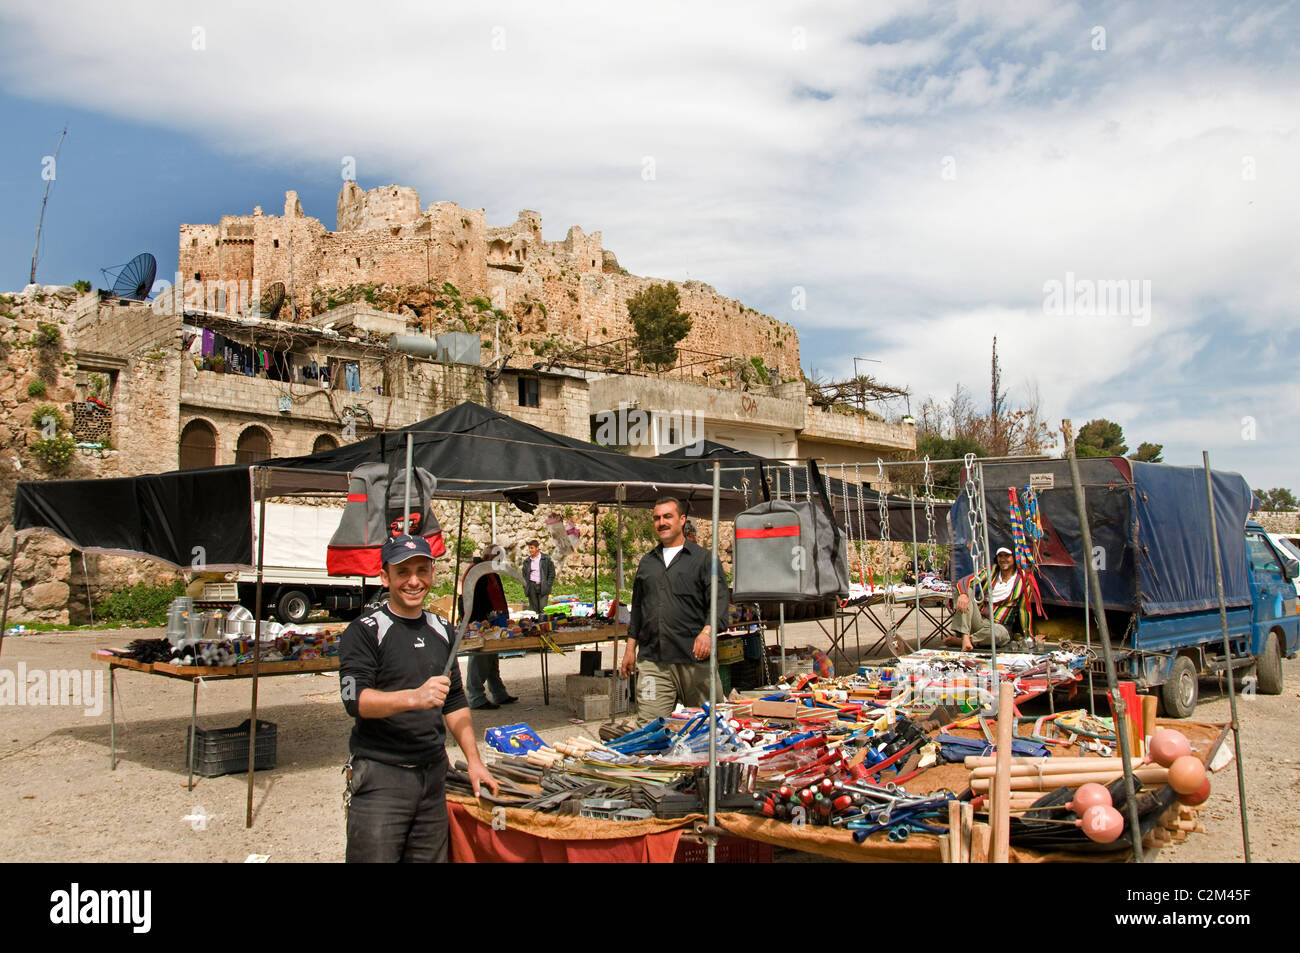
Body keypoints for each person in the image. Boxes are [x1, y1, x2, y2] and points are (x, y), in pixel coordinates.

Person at [339, 534, 498, 862]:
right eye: (403, 572)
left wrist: (474, 761)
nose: (414, 581)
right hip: (382, 776)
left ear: (432, 573)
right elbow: (354, 701)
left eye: (422, 571)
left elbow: (454, 701)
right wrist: (413, 698)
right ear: (385, 577)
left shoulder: (442, 629)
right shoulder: (364, 631)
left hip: (432, 777)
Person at [620, 497, 729, 721]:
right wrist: (630, 649)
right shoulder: (647, 562)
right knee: (650, 726)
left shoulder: (704, 560)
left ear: (681, 520)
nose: (662, 522)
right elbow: (639, 608)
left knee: (710, 726)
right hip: (654, 661)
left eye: (667, 516)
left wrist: (707, 633)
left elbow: (718, 603)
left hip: (694, 661)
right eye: (657, 518)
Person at [947, 546, 1035, 652]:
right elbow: (965, 581)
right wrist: (964, 595)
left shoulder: (1024, 581)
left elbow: (1024, 610)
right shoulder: (990, 572)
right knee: (963, 590)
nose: (1003, 559)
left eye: (1007, 556)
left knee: (997, 635)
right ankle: (965, 636)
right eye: (1000, 556)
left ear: (1014, 558)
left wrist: (1029, 635)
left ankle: (962, 641)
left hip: (1000, 627)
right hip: (979, 621)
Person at [462, 544, 518, 711]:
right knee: (480, 659)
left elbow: (498, 593)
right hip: (480, 622)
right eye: (498, 559)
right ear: (489, 557)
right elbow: (473, 598)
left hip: (494, 621)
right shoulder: (477, 571)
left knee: (492, 659)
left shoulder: (490, 571)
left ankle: (499, 692)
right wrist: (481, 621)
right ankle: (476, 697)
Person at [521, 539, 555, 615]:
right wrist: (526, 586)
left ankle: (544, 624)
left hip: (543, 586)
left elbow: (552, 573)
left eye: (532, 548)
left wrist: (548, 585)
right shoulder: (527, 561)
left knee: (543, 609)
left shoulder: (546, 559)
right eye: (529, 548)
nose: (530, 550)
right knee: (533, 610)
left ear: (537, 548)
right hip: (531, 586)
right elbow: (524, 575)